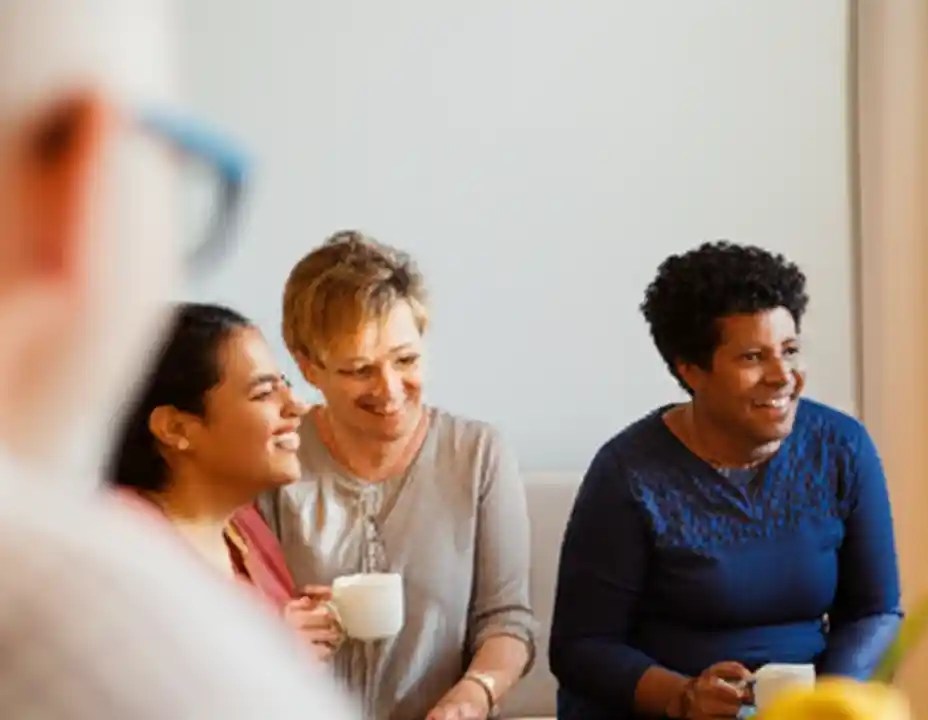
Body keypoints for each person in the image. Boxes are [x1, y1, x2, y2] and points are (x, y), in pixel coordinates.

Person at [0, 1, 357, 717]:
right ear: (82, 182)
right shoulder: (102, 619)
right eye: (181, 167)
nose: (298, 406)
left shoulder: (245, 528)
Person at [549, 241, 904, 720]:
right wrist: (683, 696)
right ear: (690, 370)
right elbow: (582, 647)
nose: (783, 377)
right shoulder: (628, 474)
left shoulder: (842, 448)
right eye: (753, 357)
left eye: (790, 350)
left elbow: (874, 611)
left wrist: (829, 699)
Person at [258, 231, 535, 720]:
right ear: (308, 367)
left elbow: (507, 621)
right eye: (358, 369)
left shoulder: (477, 454)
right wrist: (276, 630)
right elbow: (222, 614)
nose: (389, 390)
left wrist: (474, 695)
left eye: (406, 360)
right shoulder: (276, 459)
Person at [107, 302, 343, 661]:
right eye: (264, 393)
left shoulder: (243, 525)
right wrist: (273, 651)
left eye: (287, 385)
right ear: (176, 428)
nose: (297, 405)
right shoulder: (124, 549)